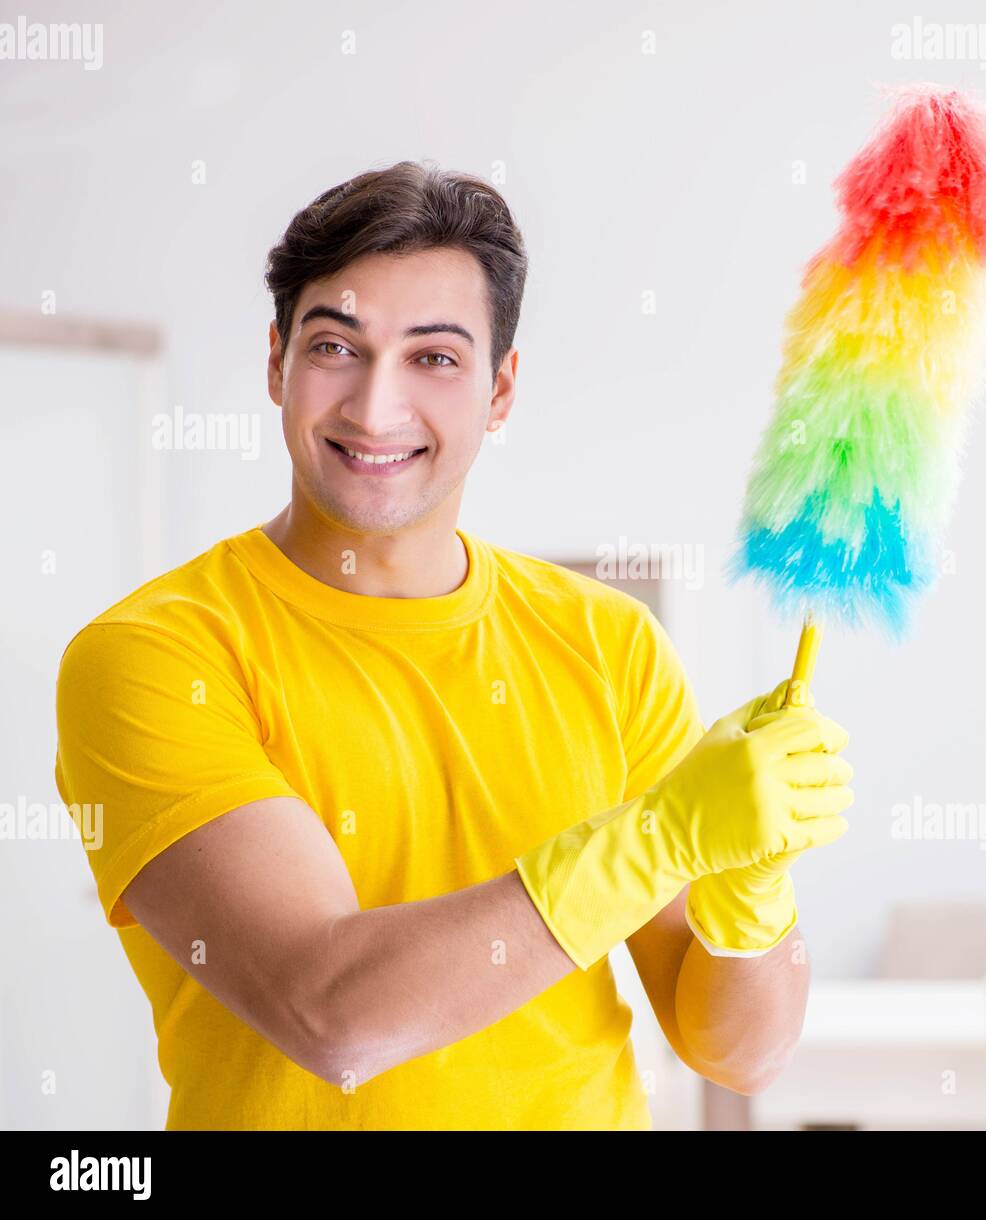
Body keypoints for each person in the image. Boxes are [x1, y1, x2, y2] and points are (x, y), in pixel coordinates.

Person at [53, 161, 854, 1131]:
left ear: (500, 388)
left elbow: (739, 1048)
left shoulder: (609, 645)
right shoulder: (154, 656)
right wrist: (658, 837)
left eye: (433, 357)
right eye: (336, 346)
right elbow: (330, 1009)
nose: (374, 406)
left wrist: (750, 887)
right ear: (276, 364)